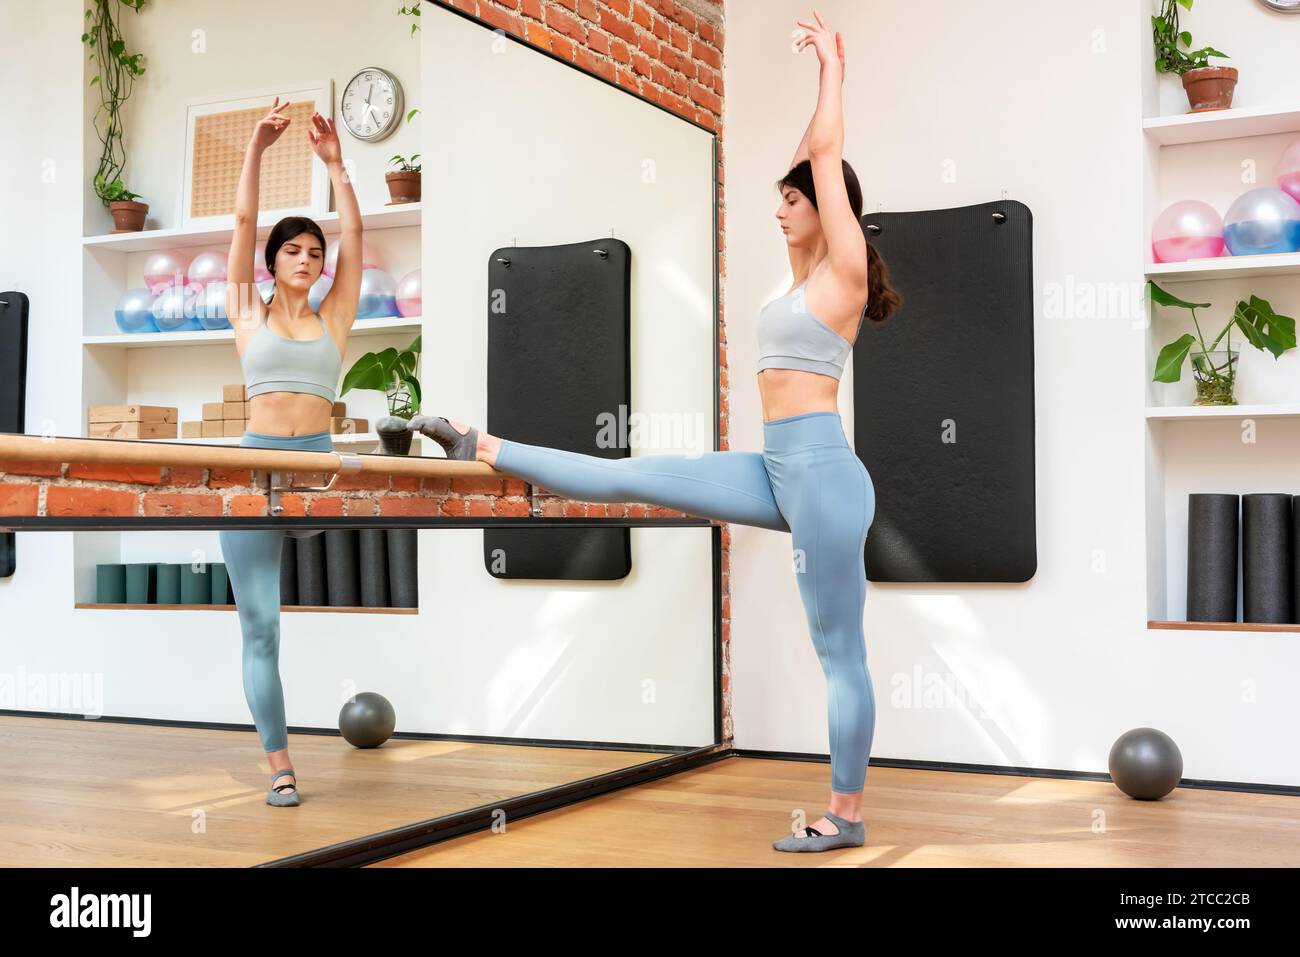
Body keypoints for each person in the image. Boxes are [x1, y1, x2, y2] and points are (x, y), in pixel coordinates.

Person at [411, 10, 902, 851]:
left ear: (831, 209)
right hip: (776, 466)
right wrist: (801, 158)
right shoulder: (791, 283)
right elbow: (807, 162)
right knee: (637, 473)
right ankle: (482, 444)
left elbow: (824, 153)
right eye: (779, 197)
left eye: (796, 199)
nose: (781, 209)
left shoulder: (844, 274)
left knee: (838, 651)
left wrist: (830, 65)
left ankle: (847, 816)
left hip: (824, 476)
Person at [219, 97, 364, 806]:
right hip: (253, 475)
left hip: (314, 472)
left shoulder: (336, 315)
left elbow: (357, 237)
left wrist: (337, 168)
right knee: (262, 625)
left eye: (316, 252)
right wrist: (256, 148)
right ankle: (279, 764)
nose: (307, 259)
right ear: (272, 263)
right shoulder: (245, 312)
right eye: (293, 251)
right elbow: (243, 224)